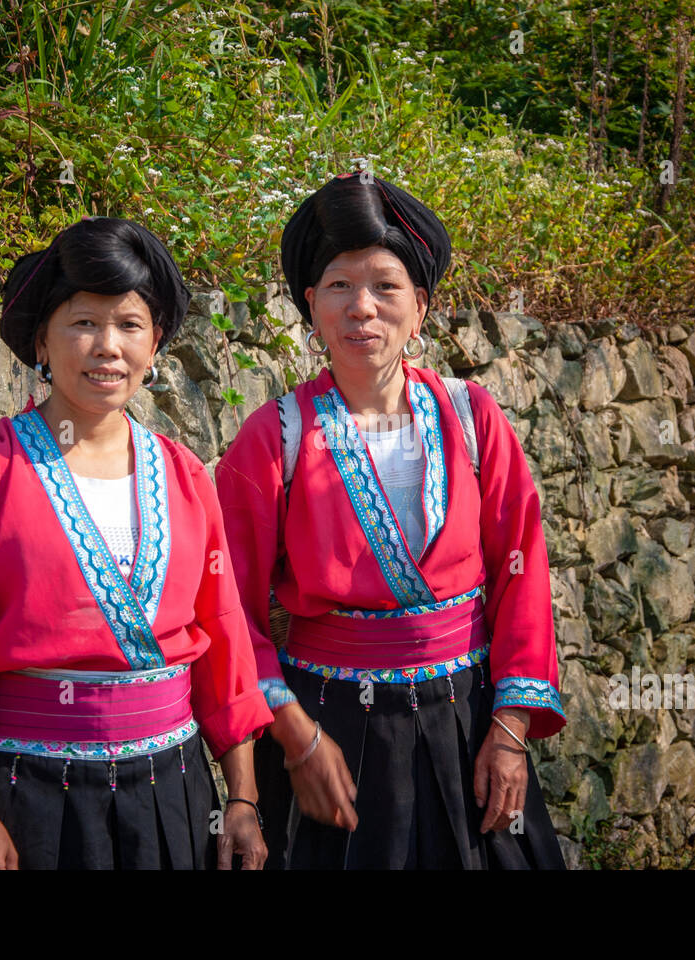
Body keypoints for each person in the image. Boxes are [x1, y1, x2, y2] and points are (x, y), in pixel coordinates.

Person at [215, 174, 566, 868]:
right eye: (339, 287)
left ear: (421, 308)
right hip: (328, 730)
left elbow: (522, 571)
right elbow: (228, 610)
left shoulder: (472, 417)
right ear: (310, 306)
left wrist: (510, 729)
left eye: (386, 286)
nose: (362, 309)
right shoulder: (274, 437)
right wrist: (295, 738)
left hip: (466, 722)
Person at [0, 217, 272, 869]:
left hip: (171, 800)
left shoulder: (186, 477)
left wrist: (241, 799)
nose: (108, 346)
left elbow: (225, 646)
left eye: (130, 325)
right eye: (83, 323)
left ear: (155, 345)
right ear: (41, 341)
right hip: (25, 802)